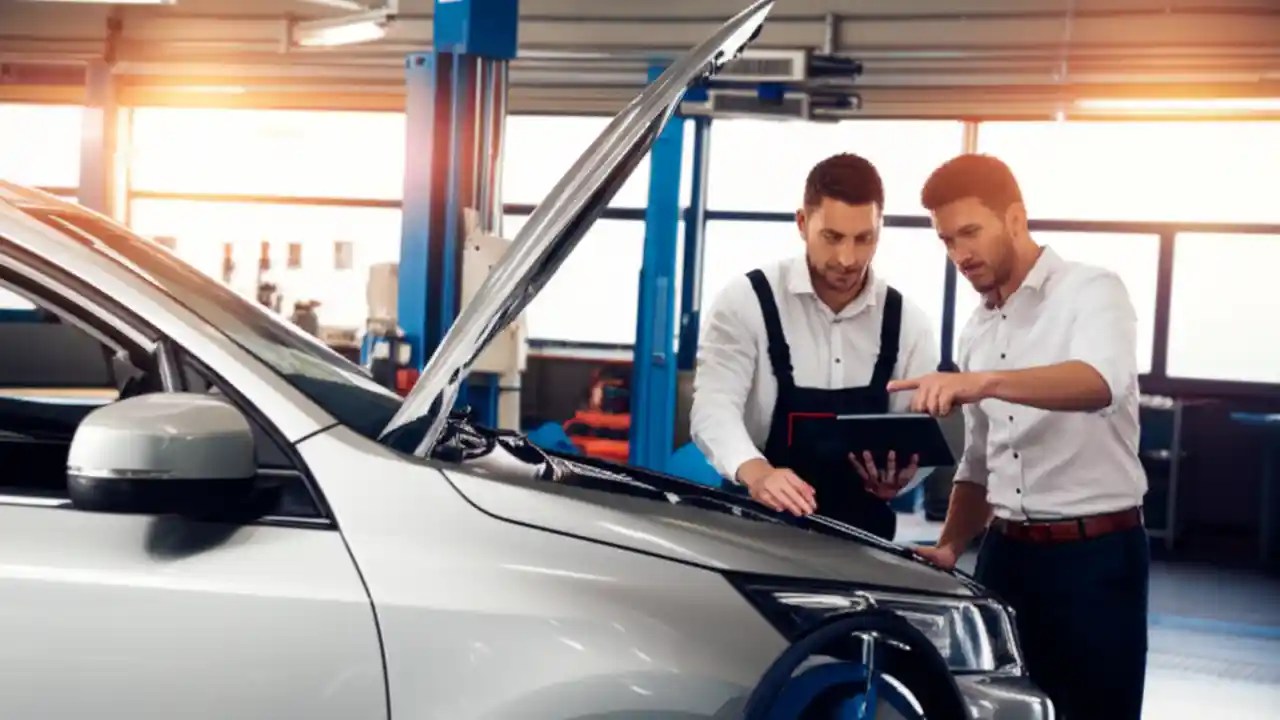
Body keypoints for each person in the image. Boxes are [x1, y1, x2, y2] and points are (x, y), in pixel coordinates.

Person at [894, 153, 1149, 719]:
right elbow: (980, 463)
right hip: (1005, 557)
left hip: (1096, 557)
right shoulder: (977, 330)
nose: (960, 253)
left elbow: (1098, 383)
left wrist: (983, 383)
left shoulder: (1093, 291)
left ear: (1014, 218)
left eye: (970, 232)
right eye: (946, 241)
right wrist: (952, 543)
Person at [690, 153, 939, 540]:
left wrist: (901, 481)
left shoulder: (910, 322)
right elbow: (713, 409)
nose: (847, 258)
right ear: (803, 224)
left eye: (864, 238)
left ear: (880, 229)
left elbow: (916, 437)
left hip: (864, 538)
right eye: (833, 237)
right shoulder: (746, 301)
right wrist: (758, 472)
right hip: (756, 527)